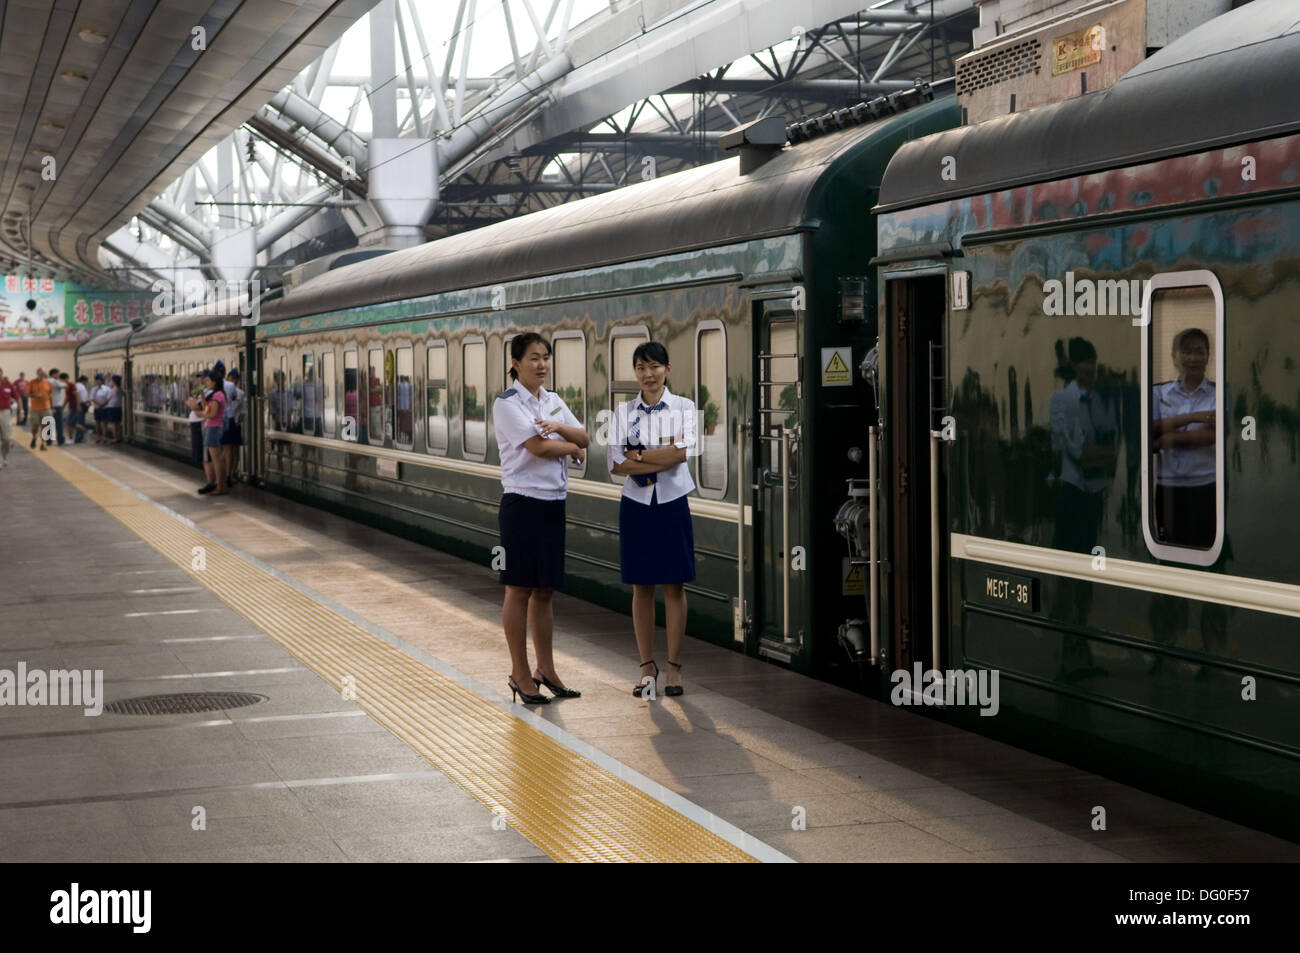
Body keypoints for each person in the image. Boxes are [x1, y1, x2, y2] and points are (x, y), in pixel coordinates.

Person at [492, 332, 589, 704]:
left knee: (545, 591)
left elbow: (584, 437)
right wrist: (571, 447)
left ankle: (545, 669)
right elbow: (537, 446)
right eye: (534, 358)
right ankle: (519, 672)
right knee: (519, 589)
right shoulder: (508, 404)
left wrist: (565, 434)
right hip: (522, 504)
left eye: (546, 357)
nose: (542, 365)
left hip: (553, 503)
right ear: (516, 363)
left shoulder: (552, 401)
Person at [607, 342, 697, 697]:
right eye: (641, 368)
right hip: (636, 505)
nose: (648, 374)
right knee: (641, 586)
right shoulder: (621, 413)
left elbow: (681, 455)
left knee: (674, 585)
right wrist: (661, 455)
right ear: (636, 373)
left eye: (655, 366)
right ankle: (647, 666)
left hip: (673, 502)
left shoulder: (685, 408)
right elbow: (615, 464)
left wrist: (640, 456)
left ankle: (673, 668)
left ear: (667, 369)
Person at [1151, 327, 1217, 548]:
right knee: (1170, 552)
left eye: (1199, 352)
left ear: (1208, 357)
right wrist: (1194, 417)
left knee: (1204, 550)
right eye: (1187, 352)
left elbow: (1211, 436)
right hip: (1168, 487)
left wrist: (1166, 439)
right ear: (1174, 357)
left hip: (1206, 484)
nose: (1193, 358)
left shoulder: (1220, 393)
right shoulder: (1159, 393)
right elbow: (1152, 431)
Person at [196, 368, 227, 495]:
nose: (206, 383)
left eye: (208, 381)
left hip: (213, 428)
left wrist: (201, 415)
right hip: (214, 427)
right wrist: (203, 397)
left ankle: (220, 487)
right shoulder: (217, 395)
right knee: (217, 458)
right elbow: (207, 408)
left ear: (214, 382)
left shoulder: (217, 395)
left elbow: (212, 414)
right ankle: (221, 485)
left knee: (216, 459)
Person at [221, 367, 245, 485]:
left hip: (235, 424)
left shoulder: (241, 393)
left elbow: (242, 411)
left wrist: (238, 422)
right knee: (226, 451)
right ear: (228, 378)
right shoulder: (224, 389)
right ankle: (227, 474)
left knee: (234, 451)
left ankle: (232, 473)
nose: (233, 380)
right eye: (232, 378)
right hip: (228, 422)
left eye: (235, 379)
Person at [27, 368, 53, 450]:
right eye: (40, 373)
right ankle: (34, 437)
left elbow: (50, 395)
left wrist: (52, 407)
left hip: (46, 407)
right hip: (35, 408)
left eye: (43, 373)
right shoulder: (32, 382)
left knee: (45, 426)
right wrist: (35, 395)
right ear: (37, 373)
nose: (41, 375)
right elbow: (28, 394)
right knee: (35, 426)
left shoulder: (47, 383)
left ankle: (43, 444)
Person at [0, 368, 19, 468]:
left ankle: (4, 456)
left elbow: (17, 397)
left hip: (5, 412)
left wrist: (22, 411)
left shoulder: (8, 384)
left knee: (6, 438)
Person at [48, 368, 67, 446]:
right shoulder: (54, 381)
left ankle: (48, 440)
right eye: (58, 374)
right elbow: (65, 385)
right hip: (56, 405)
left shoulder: (47, 381)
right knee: (59, 423)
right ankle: (60, 440)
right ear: (54, 374)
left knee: (49, 423)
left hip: (49, 404)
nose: (59, 375)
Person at [106, 375, 124, 443]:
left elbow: (108, 399)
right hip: (118, 408)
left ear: (114, 381)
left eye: (111, 381)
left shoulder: (113, 390)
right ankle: (119, 436)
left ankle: (115, 437)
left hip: (112, 408)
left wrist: (102, 404)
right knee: (118, 423)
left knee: (113, 424)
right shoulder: (120, 389)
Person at [90, 374, 109, 443]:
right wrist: (99, 404)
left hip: (105, 408)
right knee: (97, 423)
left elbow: (108, 398)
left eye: (100, 380)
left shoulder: (106, 389)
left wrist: (103, 404)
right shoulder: (94, 389)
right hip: (97, 408)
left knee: (104, 423)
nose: (98, 382)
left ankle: (104, 436)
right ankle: (98, 436)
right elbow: (92, 398)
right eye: (97, 380)